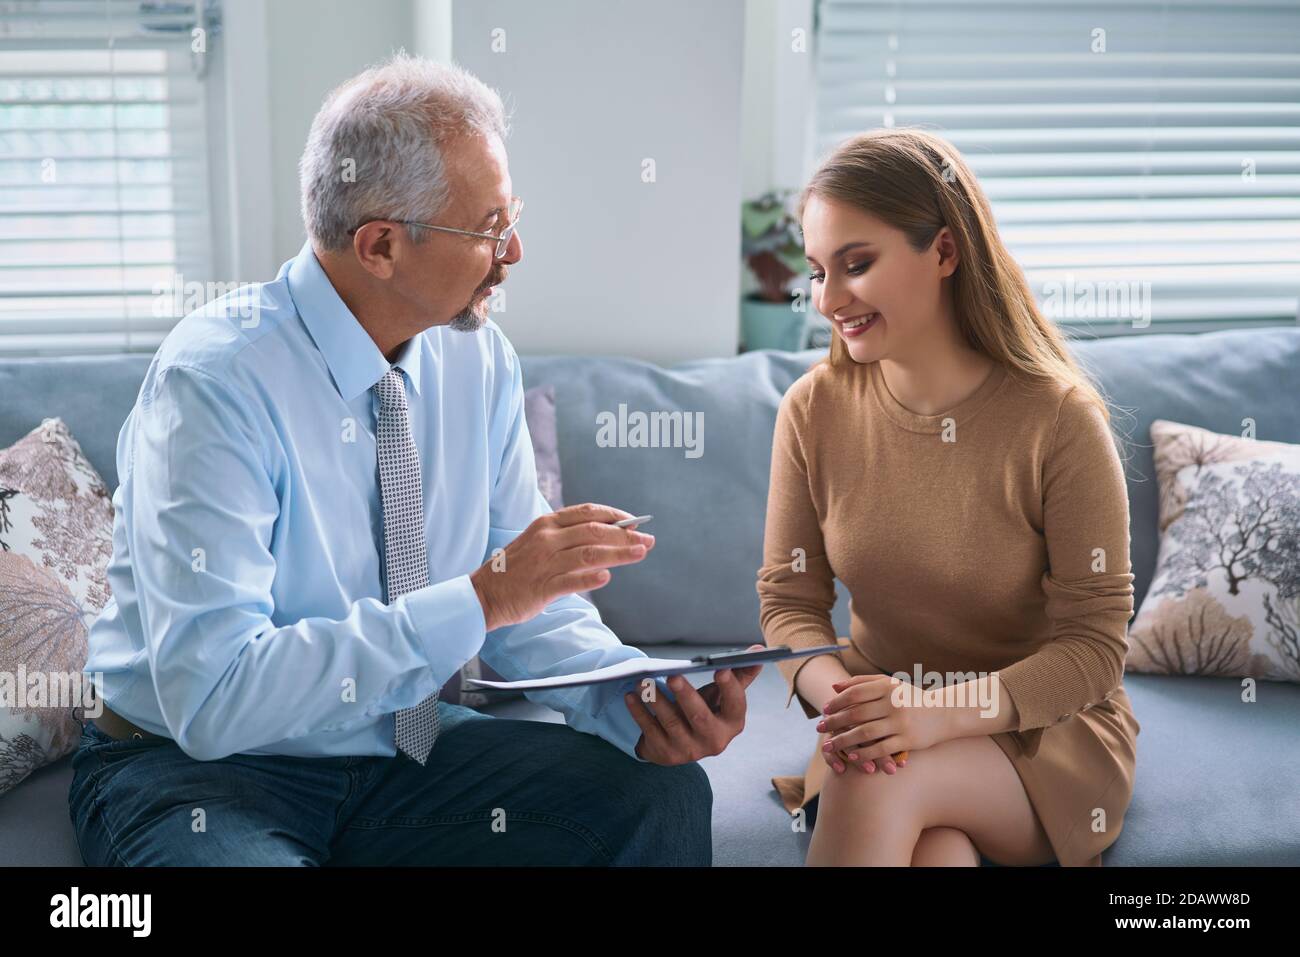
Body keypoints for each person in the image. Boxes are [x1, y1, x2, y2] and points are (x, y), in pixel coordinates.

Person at [70, 52, 760, 867]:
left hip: (405, 756)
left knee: (656, 794)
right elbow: (214, 698)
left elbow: (525, 607)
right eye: (489, 229)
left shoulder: (479, 361)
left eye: (513, 217)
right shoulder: (215, 382)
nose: (514, 252)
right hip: (196, 771)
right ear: (381, 246)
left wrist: (637, 699)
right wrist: (481, 596)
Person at [757, 128, 1139, 866]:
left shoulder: (1058, 418)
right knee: (939, 853)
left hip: (1041, 733)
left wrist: (933, 714)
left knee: (866, 783)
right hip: (883, 722)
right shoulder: (812, 409)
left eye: (856, 264)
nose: (827, 298)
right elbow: (789, 602)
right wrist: (846, 701)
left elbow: (1094, 649)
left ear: (944, 251)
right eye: (816, 271)